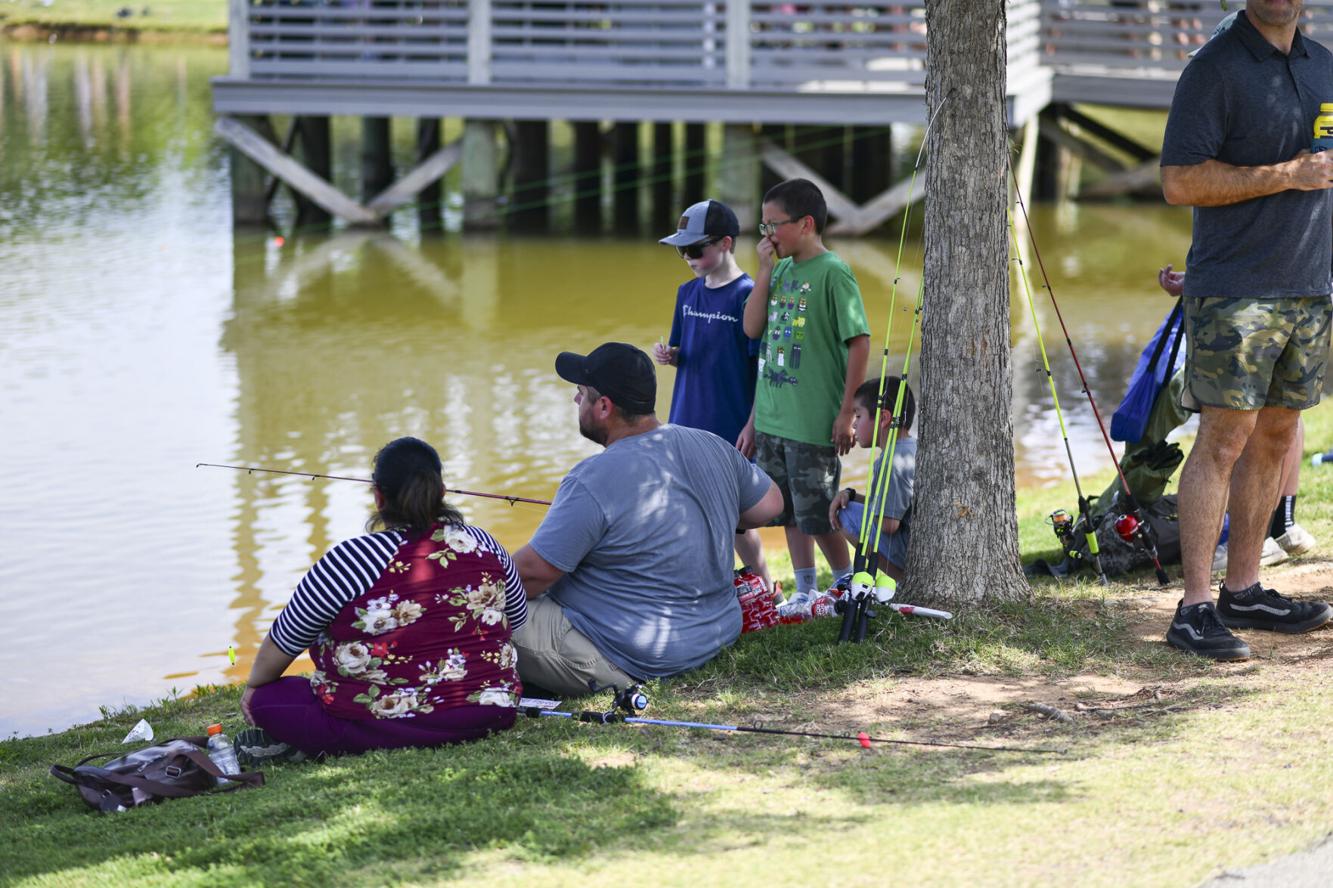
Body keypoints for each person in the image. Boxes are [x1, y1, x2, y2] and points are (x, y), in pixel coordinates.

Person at [1159, 0, 1333, 660]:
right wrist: (1285, 176)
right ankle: (1193, 607)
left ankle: (1244, 588)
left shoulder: (1321, 65)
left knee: (1278, 434)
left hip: (1307, 287)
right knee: (1223, 437)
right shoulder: (1213, 68)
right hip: (1235, 291)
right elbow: (1178, 182)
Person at [511, 342, 783, 697]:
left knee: (482, 608)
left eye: (581, 394)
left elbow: (529, 576)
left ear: (604, 406)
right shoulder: (711, 444)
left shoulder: (591, 478)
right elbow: (771, 505)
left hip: (631, 657)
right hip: (716, 634)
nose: (576, 402)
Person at [235, 437, 528, 764]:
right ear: (441, 492)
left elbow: (285, 641)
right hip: (491, 714)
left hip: (379, 726)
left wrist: (253, 689)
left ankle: (307, 743)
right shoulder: (486, 544)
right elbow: (516, 620)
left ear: (378, 497)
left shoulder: (350, 559)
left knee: (269, 700)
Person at [741, 178, 871, 609]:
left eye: (773, 225)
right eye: (763, 226)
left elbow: (859, 342)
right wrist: (754, 420)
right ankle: (806, 588)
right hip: (774, 417)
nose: (767, 235)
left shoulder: (834, 272)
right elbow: (753, 330)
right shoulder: (778, 271)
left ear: (807, 223)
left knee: (819, 512)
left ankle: (848, 583)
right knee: (788, 512)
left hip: (812, 419)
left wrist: (847, 411)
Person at [1154, 265, 1317, 570]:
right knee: (1269, 419)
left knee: (1259, 422)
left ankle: (1268, 532)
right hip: (1283, 284)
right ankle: (1280, 525)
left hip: (1267, 293)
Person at [653, 198, 771, 591]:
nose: (687, 257)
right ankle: (714, 588)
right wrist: (671, 356)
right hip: (686, 420)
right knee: (687, 509)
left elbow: (761, 368)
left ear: (725, 244)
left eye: (694, 249)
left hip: (730, 424)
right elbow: (683, 347)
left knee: (732, 517)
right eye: (681, 250)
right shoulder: (686, 293)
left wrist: (752, 425)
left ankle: (765, 586)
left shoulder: (748, 295)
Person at [828, 376, 916, 583]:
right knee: (851, 505)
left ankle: (906, 582)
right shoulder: (911, 447)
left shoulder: (890, 462)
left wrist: (856, 505)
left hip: (910, 551)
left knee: (845, 513)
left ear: (884, 418)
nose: (854, 425)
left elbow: (888, 525)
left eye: (858, 416)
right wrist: (851, 494)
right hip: (918, 543)